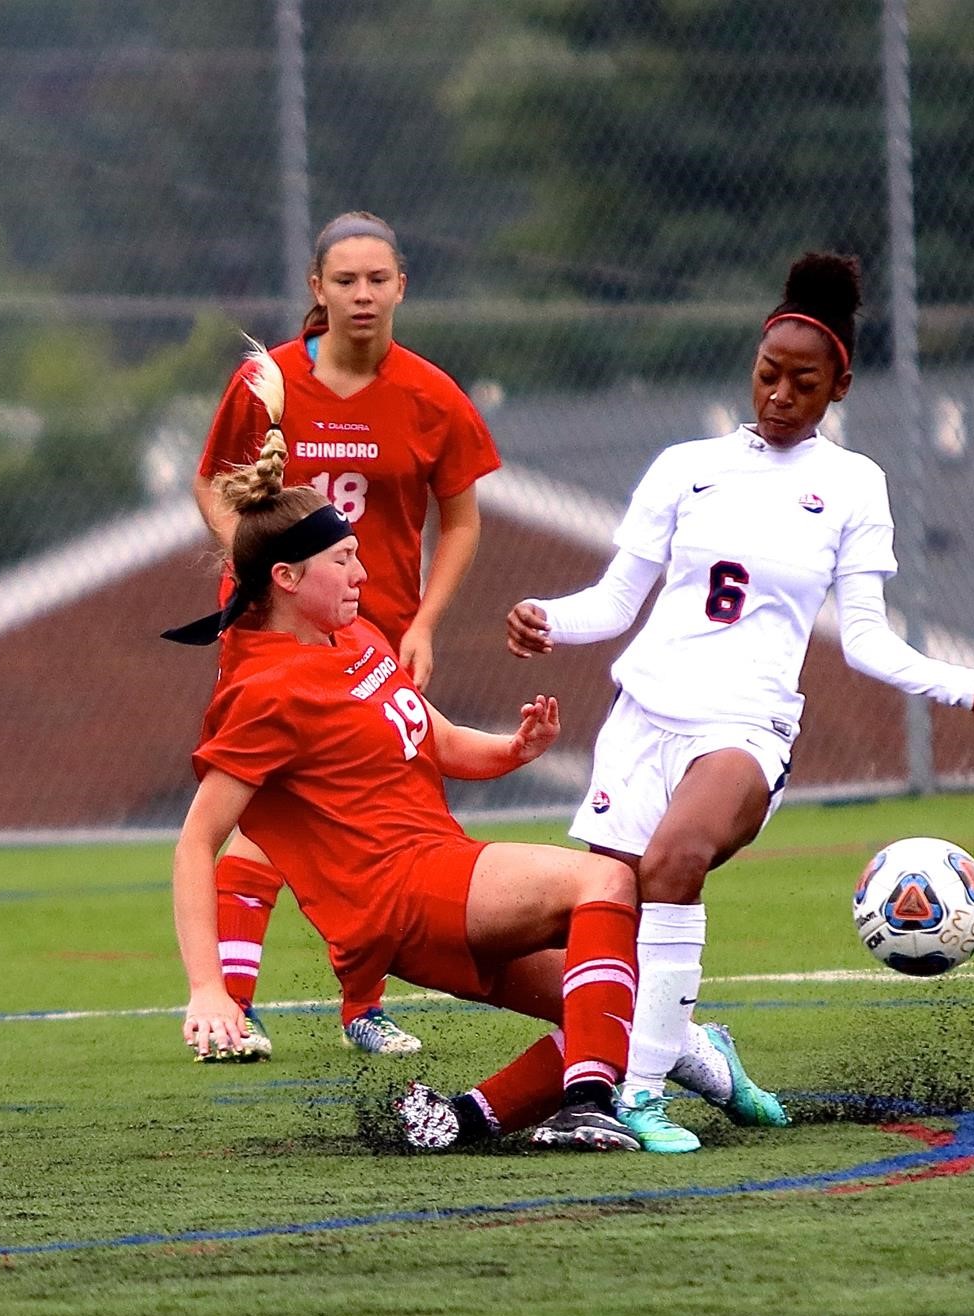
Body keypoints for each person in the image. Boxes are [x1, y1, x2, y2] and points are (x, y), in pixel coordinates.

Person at [505, 251, 974, 1153]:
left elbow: (865, 637)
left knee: (674, 863)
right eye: (768, 375)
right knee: (609, 916)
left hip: (745, 728)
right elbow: (614, 599)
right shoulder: (686, 468)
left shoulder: (854, 484)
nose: (780, 395)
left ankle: (636, 1099)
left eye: (804, 381)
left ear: (840, 384)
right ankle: (701, 1058)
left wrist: (962, 684)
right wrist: (545, 621)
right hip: (641, 721)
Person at [165, 349, 640, 1151]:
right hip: (405, 894)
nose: (363, 569)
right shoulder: (265, 686)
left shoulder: (353, 634)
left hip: (436, 876)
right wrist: (209, 990)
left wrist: (513, 749)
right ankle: (588, 1108)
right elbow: (195, 844)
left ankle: (460, 1119)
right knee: (607, 878)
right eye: (342, 559)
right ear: (285, 577)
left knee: (615, 1012)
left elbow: (434, 736)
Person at [191, 211, 499, 1062]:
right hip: (278, 639)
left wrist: (426, 624)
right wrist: (249, 563)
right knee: (269, 806)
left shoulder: (433, 396)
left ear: (402, 285)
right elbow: (213, 483)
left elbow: (463, 522)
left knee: (386, 824)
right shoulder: (269, 383)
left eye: (377, 279)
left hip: (381, 640)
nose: (361, 295)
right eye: (344, 280)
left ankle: (360, 1005)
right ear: (316, 291)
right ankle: (233, 1005)